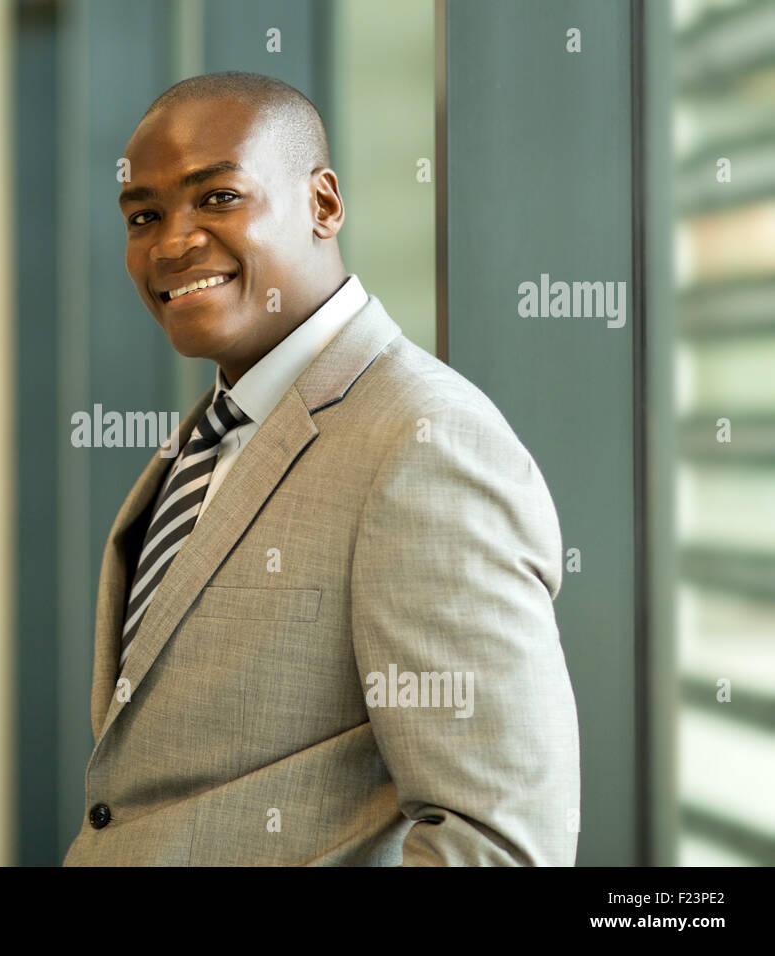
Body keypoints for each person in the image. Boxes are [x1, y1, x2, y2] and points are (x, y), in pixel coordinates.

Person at [62, 71, 581, 866]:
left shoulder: (425, 441)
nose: (172, 241)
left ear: (324, 204)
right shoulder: (214, 433)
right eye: (144, 215)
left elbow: (503, 841)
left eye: (219, 197)